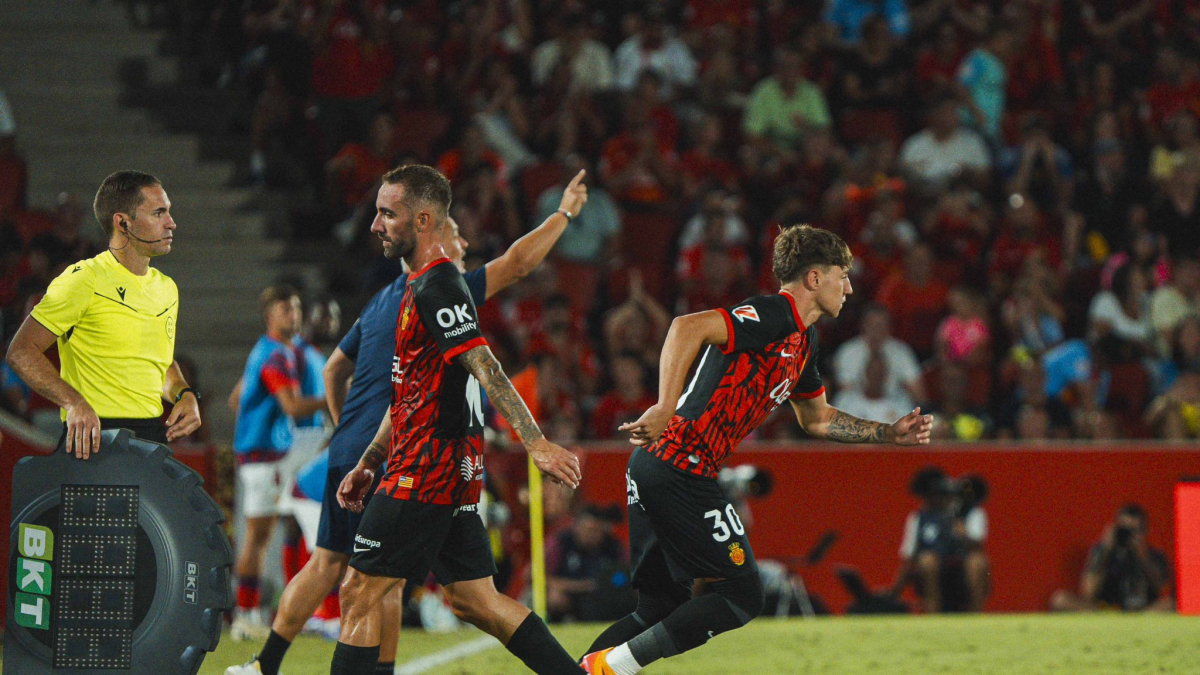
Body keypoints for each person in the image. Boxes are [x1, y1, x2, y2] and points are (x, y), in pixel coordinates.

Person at [227, 168, 591, 675]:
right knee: (472, 600)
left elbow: (486, 366)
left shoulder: (439, 286)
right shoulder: (408, 290)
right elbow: (406, 396)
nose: (374, 224)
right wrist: (371, 460)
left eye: (386, 213)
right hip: (436, 465)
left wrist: (537, 443)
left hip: (426, 467)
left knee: (358, 588)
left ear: (422, 220)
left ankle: (267, 663)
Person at [580, 224, 933, 674]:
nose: (848, 286)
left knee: (657, 610)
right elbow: (686, 326)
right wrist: (666, 405)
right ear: (813, 279)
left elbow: (817, 418)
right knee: (741, 594)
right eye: (841, 274)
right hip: (679, 464)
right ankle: (612, 667)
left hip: (658, 466)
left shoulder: (804, 339)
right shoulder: (774, 314)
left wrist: (889, 433)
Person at [4, 170, 201, 455]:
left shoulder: (167, 288)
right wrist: (73, 402)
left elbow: (160, 365)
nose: (171, 223)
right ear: (122, 222)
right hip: (94, 440)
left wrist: (184, 394)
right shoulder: (83, 279)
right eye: (159, 213)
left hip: (151, 438)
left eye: (168, 212)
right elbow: (20, 351)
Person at [230, 284, 329, 640]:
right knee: (258, 538)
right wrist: (333, 401)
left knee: (281, 528)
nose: (295, 315)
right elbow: (291, 406)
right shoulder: (275, 356)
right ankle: (245, 615)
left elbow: (235, 399)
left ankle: (265, 612)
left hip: (268, 454)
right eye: (286, 309)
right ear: (269, 315)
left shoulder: (270, 351)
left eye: (297, 308)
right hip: (263, 459)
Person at [890, 467, 990, 613]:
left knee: (977, 562)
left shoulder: (970, 513)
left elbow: (978, 545)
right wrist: (895, 591)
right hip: (934, 568)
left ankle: (975, 614)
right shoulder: (918, 518)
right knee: (927, 560)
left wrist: (963, 533)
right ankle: (933, 614)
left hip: (962, 566)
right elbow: (909, 557)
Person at [1050, 504, 1173, 612]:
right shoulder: (1102, 552)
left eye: (1135, 531)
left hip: (1142, 611)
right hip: (1105, 611)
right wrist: (1105, 550)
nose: (1129, 536)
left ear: (1145, 531)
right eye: (1125, 531)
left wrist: (1143, 556)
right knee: (1060, 599)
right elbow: (1087, 592)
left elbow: (1161, 588)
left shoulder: (1153, 555)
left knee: (1170, 604)